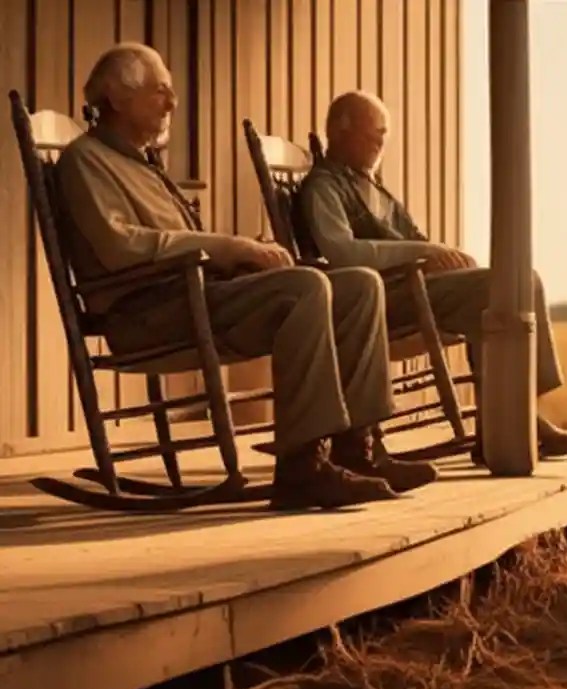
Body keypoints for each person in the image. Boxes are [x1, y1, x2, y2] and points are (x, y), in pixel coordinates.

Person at [57, 42, 439, 510]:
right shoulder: (86, 160)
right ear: (117, 98)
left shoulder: (143, 164)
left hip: (197, 294)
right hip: (147, 312)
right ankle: (302, 467)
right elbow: (122, 249)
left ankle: (359, 451)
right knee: (306, 287)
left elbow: (181, 245)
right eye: (160, 91)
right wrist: (229, 247)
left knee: (359, 285)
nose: (173, 103)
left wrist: (244, 254)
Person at [294, 90, 567, 463]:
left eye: (384, 133)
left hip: (414, 287)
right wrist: (423, 253)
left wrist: (442, 257)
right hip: (379, 300)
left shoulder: (371, 187)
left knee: (516, 283)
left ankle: (507, 424)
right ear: (340, 130)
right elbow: (342, 252)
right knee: (505, 287)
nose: (380, 141)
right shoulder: (324, 186)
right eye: (374, 132)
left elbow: (417, 240)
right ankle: (516, 424)